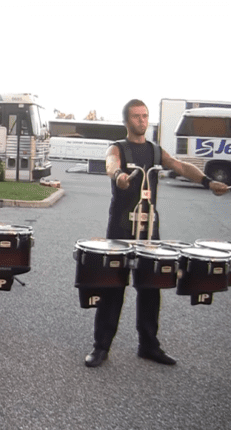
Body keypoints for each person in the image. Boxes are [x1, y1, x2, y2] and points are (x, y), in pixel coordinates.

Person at [84, 99, 229, 368]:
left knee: (151, 287)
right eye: (137, 117)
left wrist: (208, 182)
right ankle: (101, 347)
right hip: (121, 229)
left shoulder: (154, 150)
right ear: (127, 121)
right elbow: (110, 164)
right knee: (113, 287)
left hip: (150, 229)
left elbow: (181, 166)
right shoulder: (119, 147)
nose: (142, 121)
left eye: (145, 116)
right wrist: (119, 176)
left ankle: (149, 345)